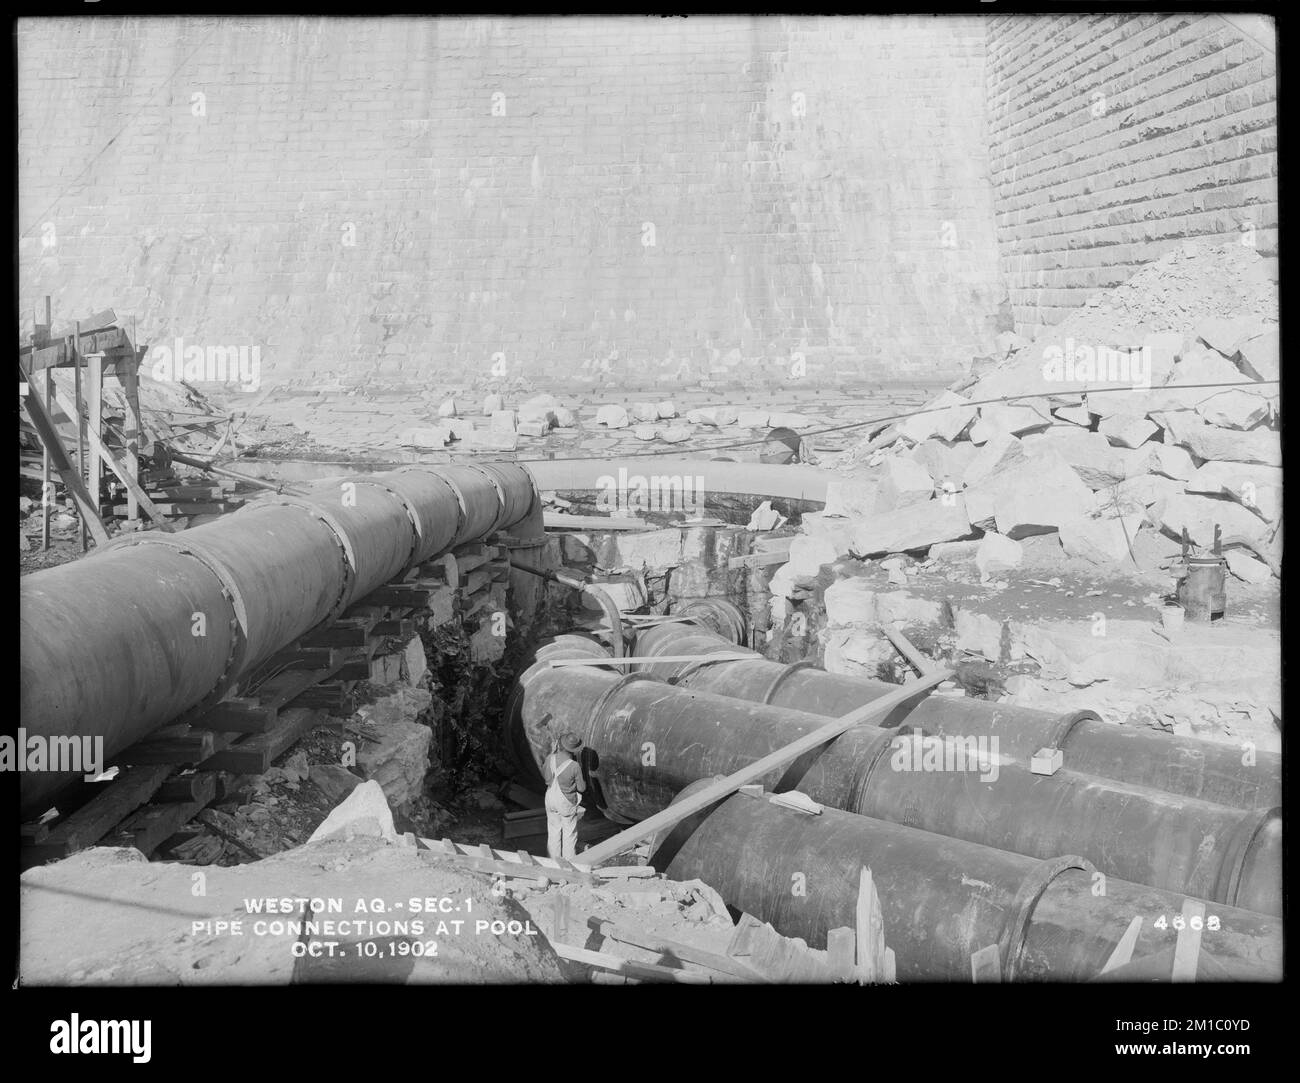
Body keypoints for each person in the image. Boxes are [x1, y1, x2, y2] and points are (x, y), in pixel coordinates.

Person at [543, 732, 586, 860]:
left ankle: (552, 862)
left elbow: (546, 779)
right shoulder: (574, 766)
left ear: (559, 745)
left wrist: (552, 752)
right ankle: (568, 864)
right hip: (566, 803)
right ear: (574, 750)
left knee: (553, 832)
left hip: (550, 800)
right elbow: (581, 788)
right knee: (569, 835)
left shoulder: (550, 758)